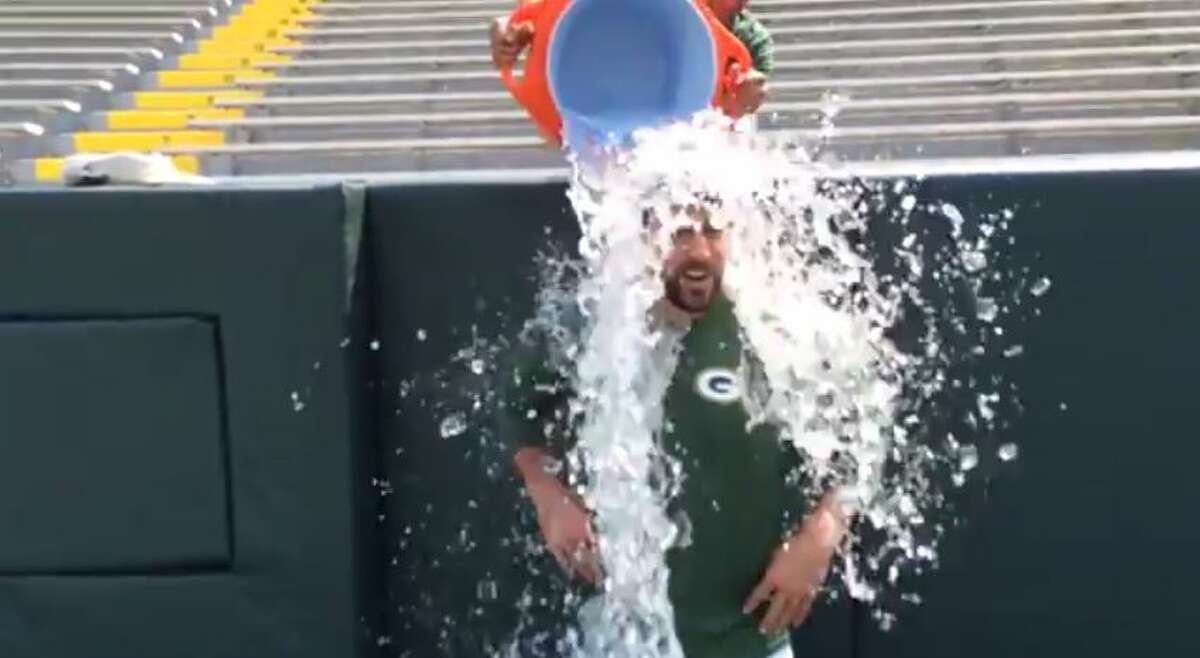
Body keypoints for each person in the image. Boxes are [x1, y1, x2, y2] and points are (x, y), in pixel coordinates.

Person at [500, 208, 848, 658]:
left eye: (713, 231)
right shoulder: (598, 319)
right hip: (625, 640)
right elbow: (516, 408)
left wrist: (822, 533)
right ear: (645, 233)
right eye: (681, 232)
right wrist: (548, 494)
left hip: (752, 641)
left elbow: (862, 433)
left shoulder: (776, 326)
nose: (700, 251)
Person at [488, 0, 774, 119]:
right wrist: (515, 32)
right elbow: (542, 19)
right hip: (599, 148)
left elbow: (745, 104)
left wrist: (741, 103)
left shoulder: (749, 39)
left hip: (689, 155)